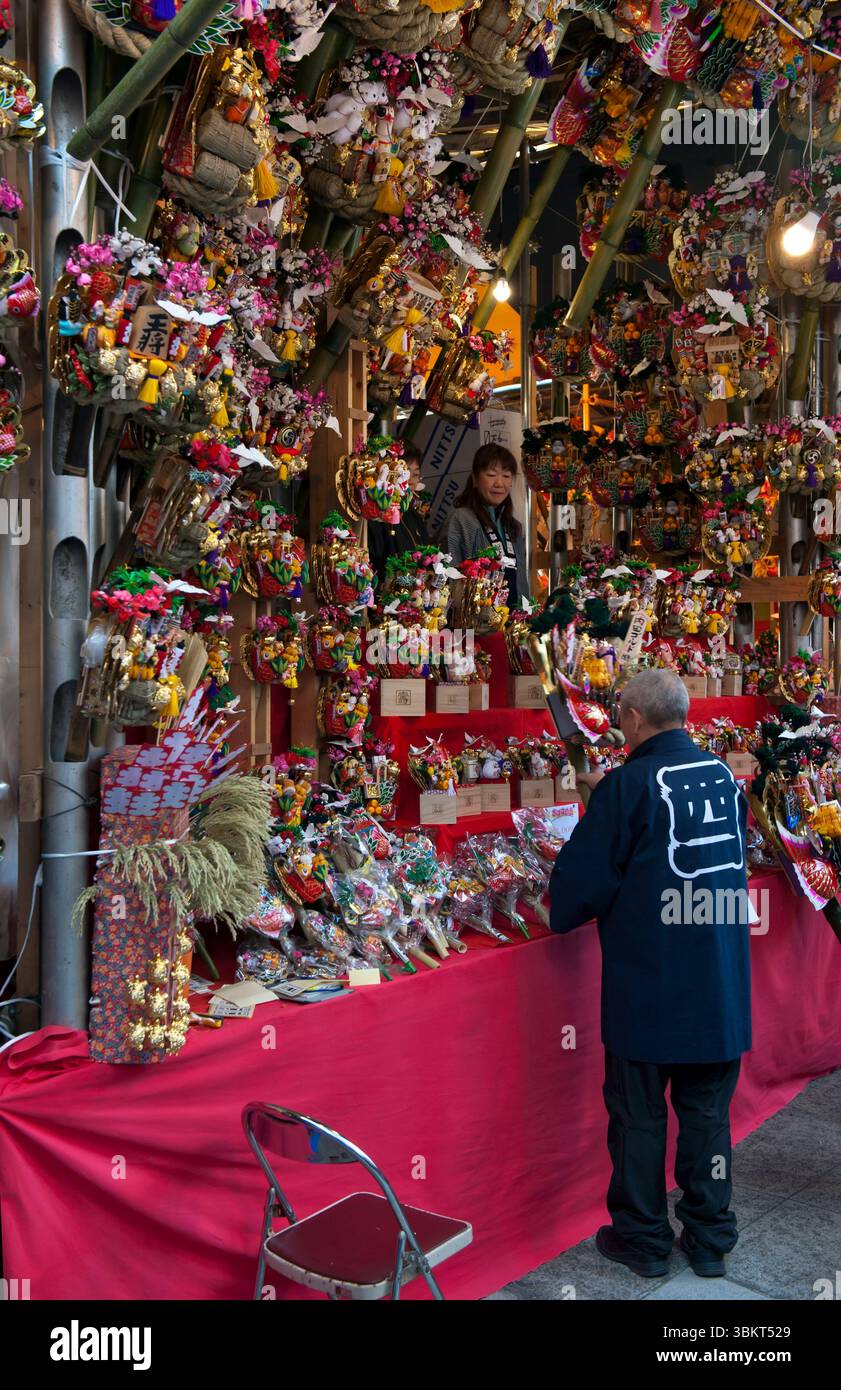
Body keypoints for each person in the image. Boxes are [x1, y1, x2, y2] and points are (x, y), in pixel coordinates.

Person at [548, 668, 750, 1281]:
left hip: (652, 984)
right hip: (717, 980)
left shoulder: (627, 784)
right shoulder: (722, 775)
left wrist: (598, 806)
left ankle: (643, 1237)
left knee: (639, 1117)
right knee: (708, 1116)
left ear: (633, 720)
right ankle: (711, 1237)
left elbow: (580, 891)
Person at [446, 444, 528, 609]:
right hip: (475, 626)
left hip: (514, 624)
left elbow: (522, 581)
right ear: (475, 479)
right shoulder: (461, 520)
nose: (499, 483)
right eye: (491, 474)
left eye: (506, 475)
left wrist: (527, 615)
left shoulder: (514, 527)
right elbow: (449, 575)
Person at [367, 441, 431, 585]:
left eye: (415, 475)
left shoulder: (415, 518)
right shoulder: (377, 516)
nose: (410, 482)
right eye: (404, 473)